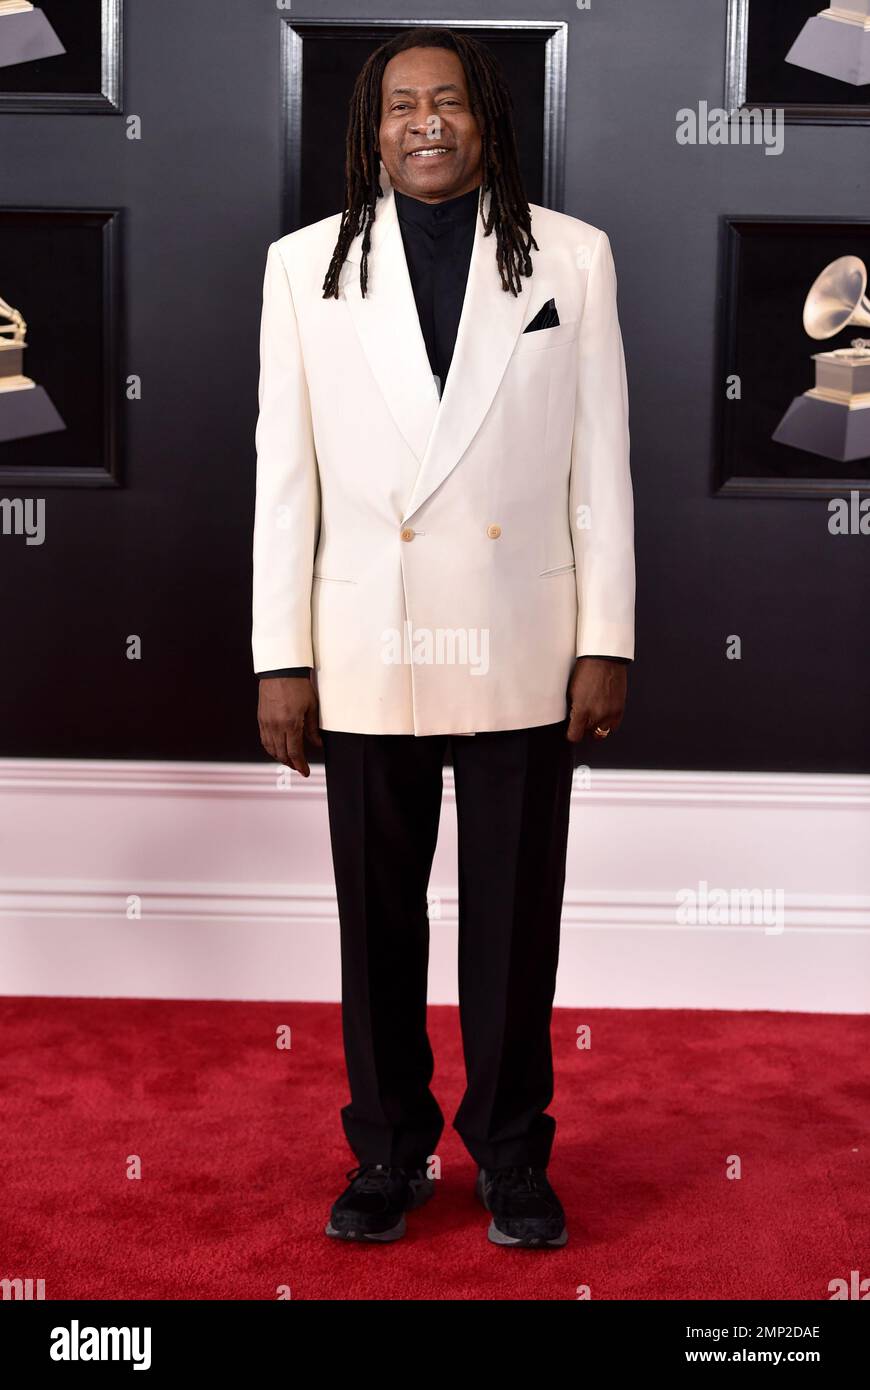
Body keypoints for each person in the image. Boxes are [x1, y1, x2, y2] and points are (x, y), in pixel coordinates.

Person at [252, 26, 634, 1249]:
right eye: (403, 105)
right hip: (366, 641)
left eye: (450, 103)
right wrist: (280, 656)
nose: (427, 122)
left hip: (522, 633)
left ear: (490, 121)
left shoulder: (572, 258)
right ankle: (390, 1151)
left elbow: (602, 469)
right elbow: (284, 481)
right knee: (378, 922)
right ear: (370, 130)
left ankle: (513, 1156)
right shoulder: (302, 266)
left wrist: (607, 635)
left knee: (517, 922)